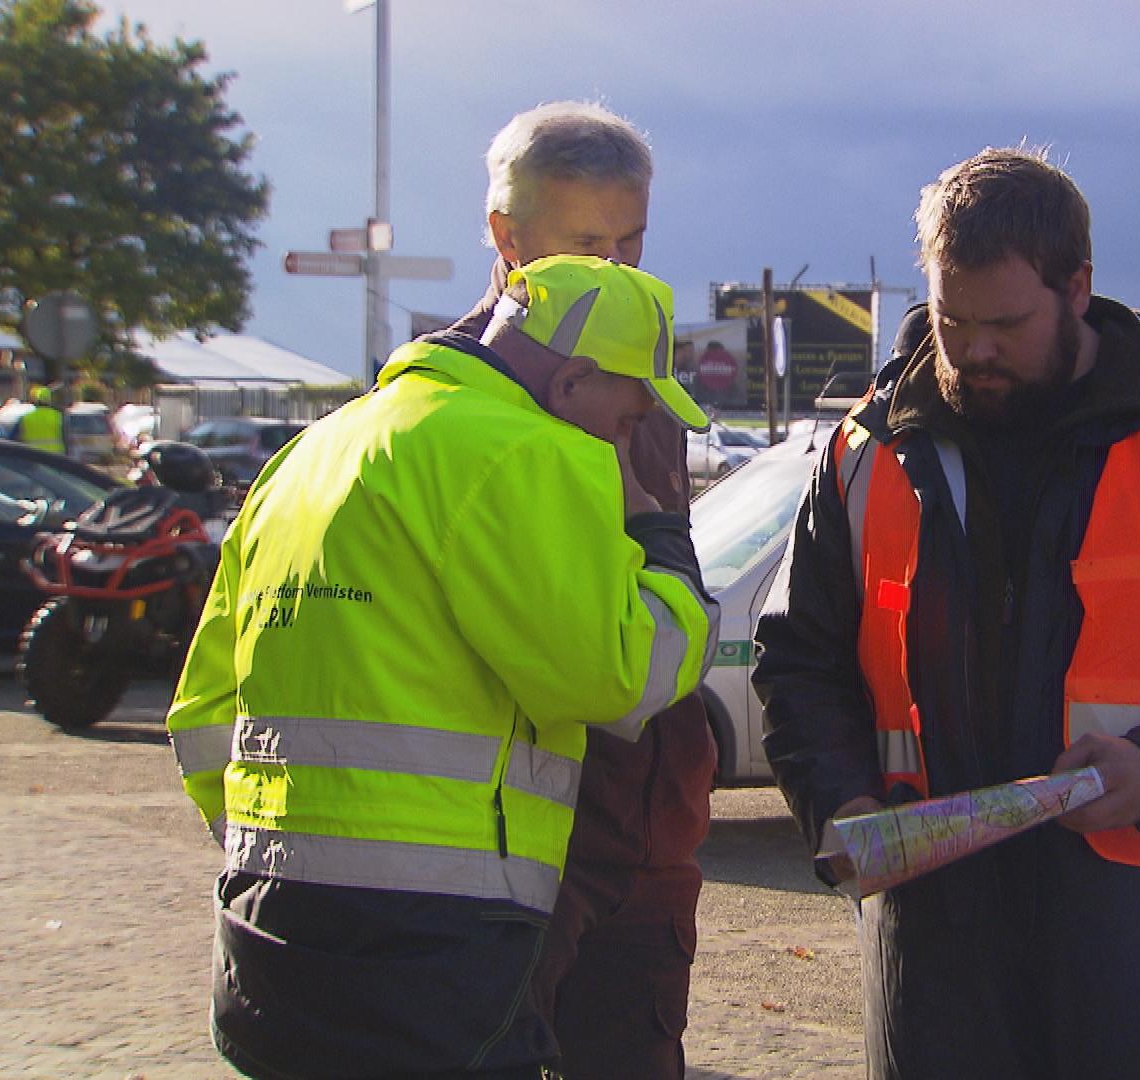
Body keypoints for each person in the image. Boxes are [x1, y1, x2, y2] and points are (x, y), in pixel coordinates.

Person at [752, 147, 1140, 1080]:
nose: (974, 350)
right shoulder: (865, 450)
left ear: (1078, 288)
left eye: (1005, 324)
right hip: (940, 939)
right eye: (951, 321)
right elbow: (797, 657)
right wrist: (840, 803)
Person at [166, 254, 718, 1080]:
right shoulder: (530, 450)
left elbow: (205, 711)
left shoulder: (311, 453)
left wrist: (284, 843)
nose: (627, 440)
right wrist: (665, 550)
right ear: (569, 384)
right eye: (630, 416)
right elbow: (613, 679)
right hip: (437, 948)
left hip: (266, 926)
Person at [438, 100, 717, 1079]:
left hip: (644, 833)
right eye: (585, 244)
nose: (614, 272)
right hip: (512, 849)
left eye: (630, 243)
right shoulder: (445, 400)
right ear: (505, 238)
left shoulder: (640, 378)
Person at [14, 384, 65, 456]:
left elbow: (16, 439)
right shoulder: (59, 416)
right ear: (49, 400)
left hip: (33, 456)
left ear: (35, 401)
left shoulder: (26, 418)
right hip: (55, 457)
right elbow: (66, 438)